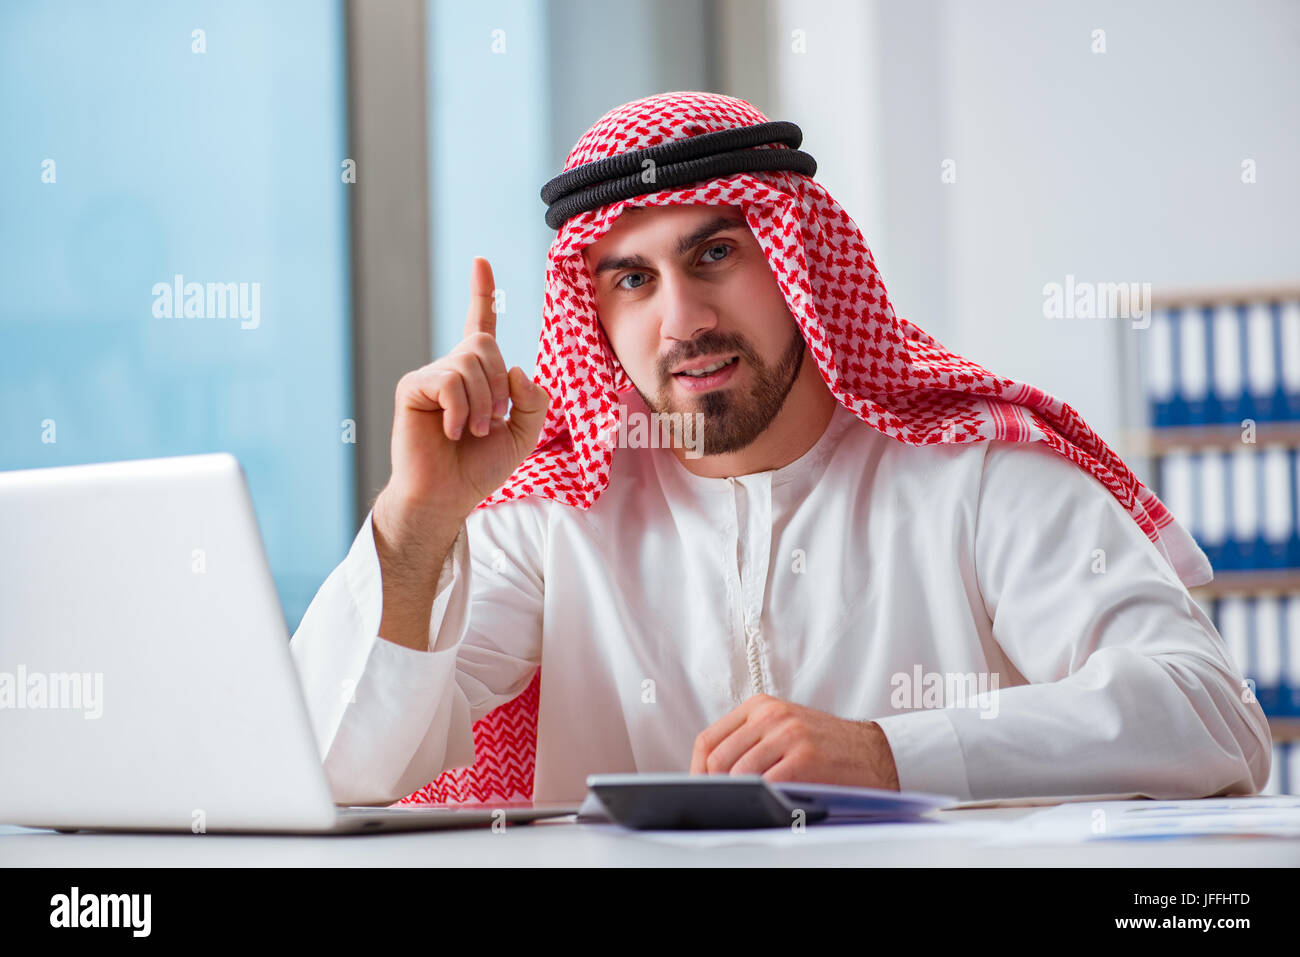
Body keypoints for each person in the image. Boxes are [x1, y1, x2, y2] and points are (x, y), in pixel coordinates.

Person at [289, 91, 1270, 807]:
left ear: (794, 262)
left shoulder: (976, 476)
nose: (681, 319)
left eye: (716, 254)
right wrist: (418, 523)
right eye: (630, 281)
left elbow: (1210, 718)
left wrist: (890, 754)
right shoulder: (553, 521)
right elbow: (330, 767)